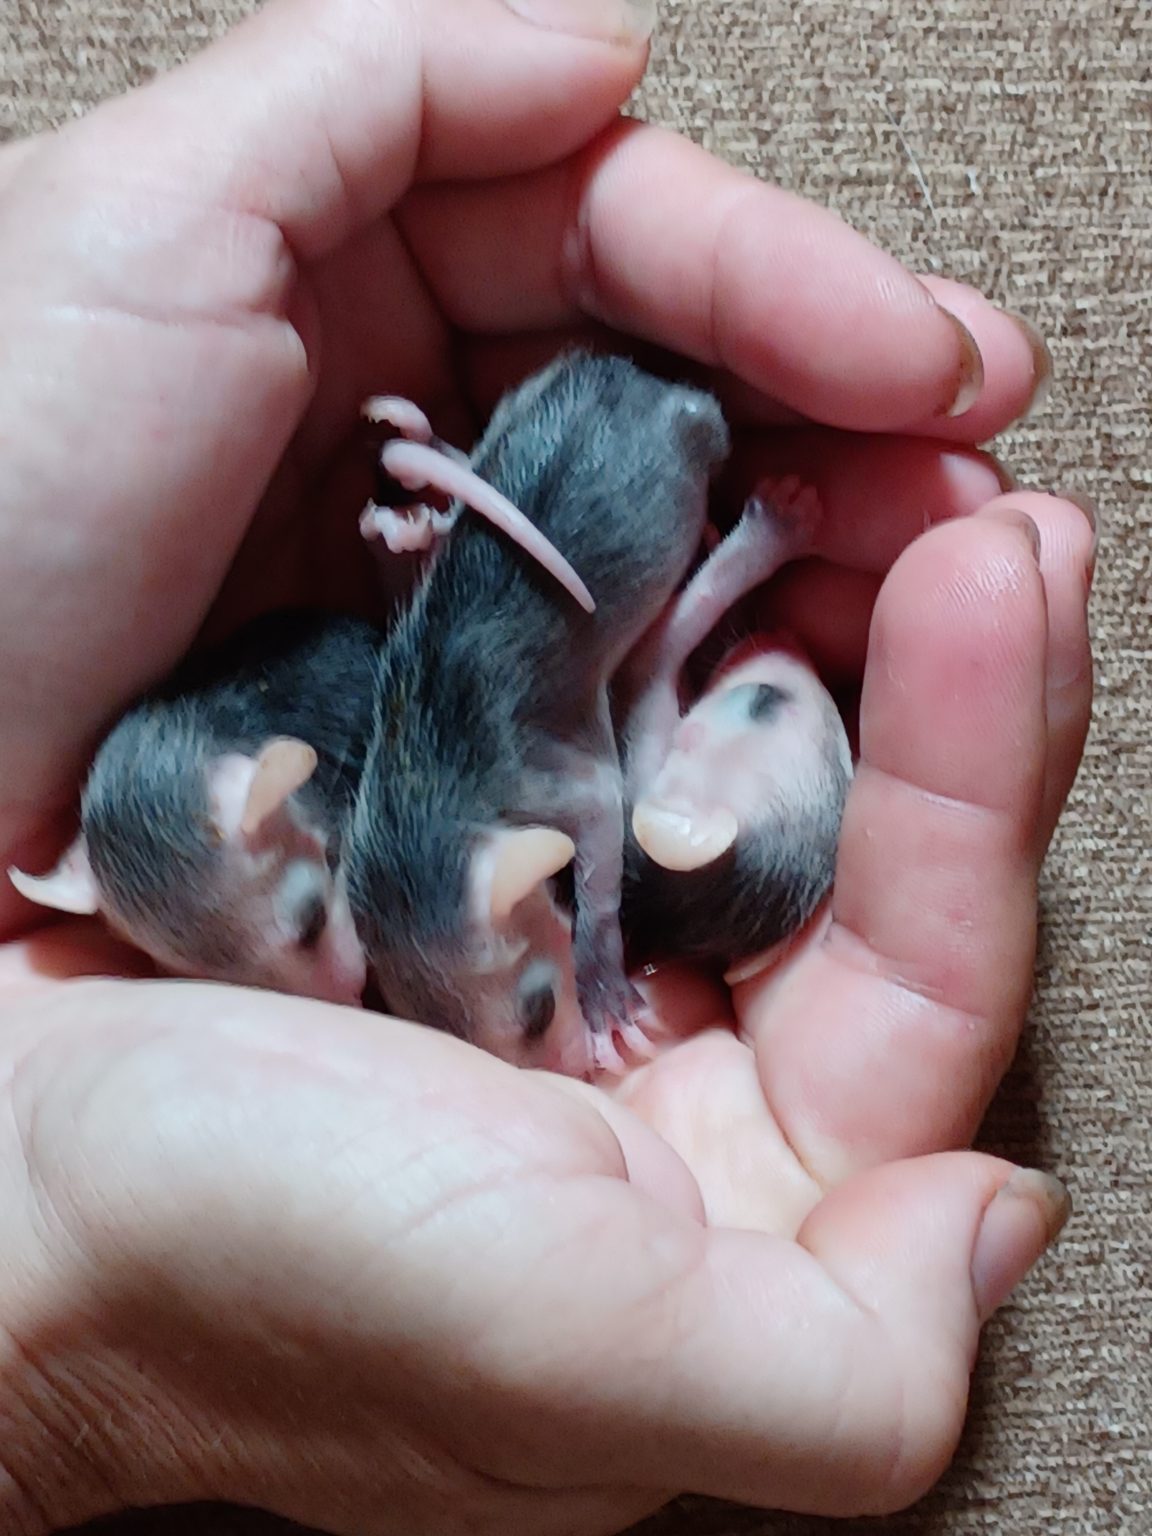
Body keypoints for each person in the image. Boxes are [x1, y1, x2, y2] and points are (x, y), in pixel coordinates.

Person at [0, 0, 1094, 1531]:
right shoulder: (357, 795)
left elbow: (557, 784)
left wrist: (583, 959)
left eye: (311, 926)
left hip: (611, 509)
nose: (329, 984)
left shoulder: (509, 815)